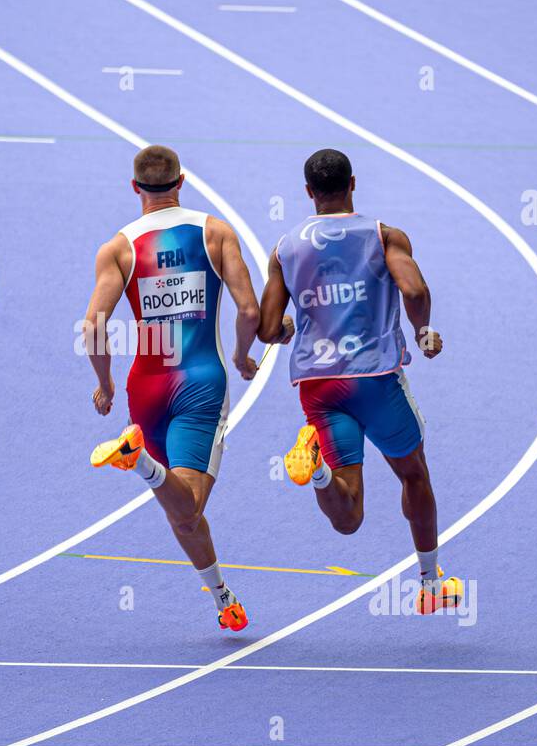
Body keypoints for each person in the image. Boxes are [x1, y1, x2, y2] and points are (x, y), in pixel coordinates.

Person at [258, 148, 462, 615]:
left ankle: (322, 473)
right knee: (413, 474)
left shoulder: (285, 247)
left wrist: (288, 328)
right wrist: (423, 332)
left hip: (319, 385)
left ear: (308, 192)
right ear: (354, 183)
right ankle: (430, 583)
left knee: (348, 518)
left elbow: (268, 329)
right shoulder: (383, 235)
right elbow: (414, 290)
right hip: (375, 379)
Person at [84, 145, 262, 631]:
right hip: (199, 382)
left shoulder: (118, 248)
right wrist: (245, 356)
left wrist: (105, 385)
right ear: (182, 180)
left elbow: (93, 325)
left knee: (179, 509)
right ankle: (138, 461)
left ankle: (222, 596)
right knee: (191, 501)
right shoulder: (216, 232)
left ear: (134, 188)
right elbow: (249, 311)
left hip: (146, 385)